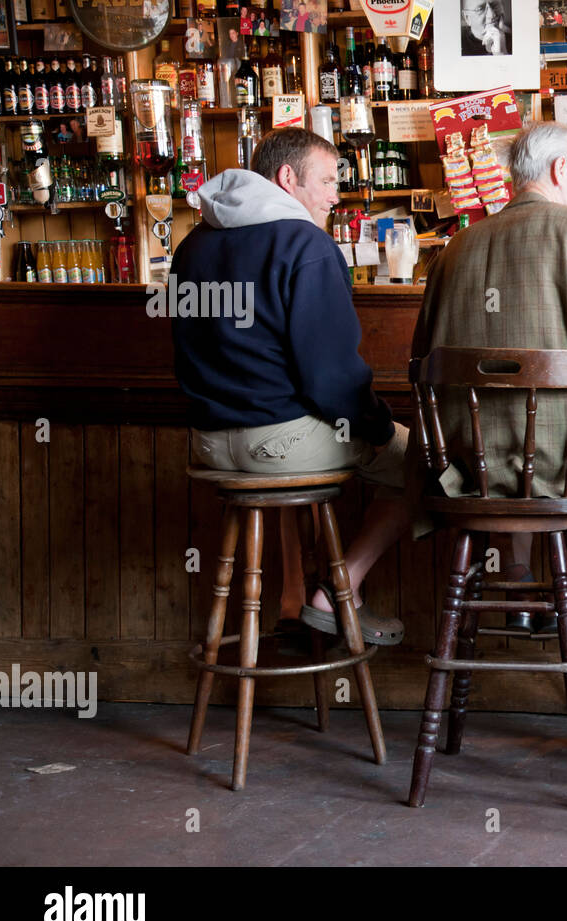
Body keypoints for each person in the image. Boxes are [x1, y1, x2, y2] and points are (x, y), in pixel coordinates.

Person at [410, 122, 567, 620]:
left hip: (465, 459)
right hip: (555, 456)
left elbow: (421, 359)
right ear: (559, 169)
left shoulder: (453, 249)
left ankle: (519, 581)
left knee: (515, 450)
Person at [170, 127, 412, 646]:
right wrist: (377, 427)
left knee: (310, 440)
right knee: (423, 459)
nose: (335, 195)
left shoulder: (192, 244)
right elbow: (331, 380)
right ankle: (338, 594)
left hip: (210, 444)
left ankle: (296, 600)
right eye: (326, 181)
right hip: (278, 446)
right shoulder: (306, 243)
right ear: (287, 178)